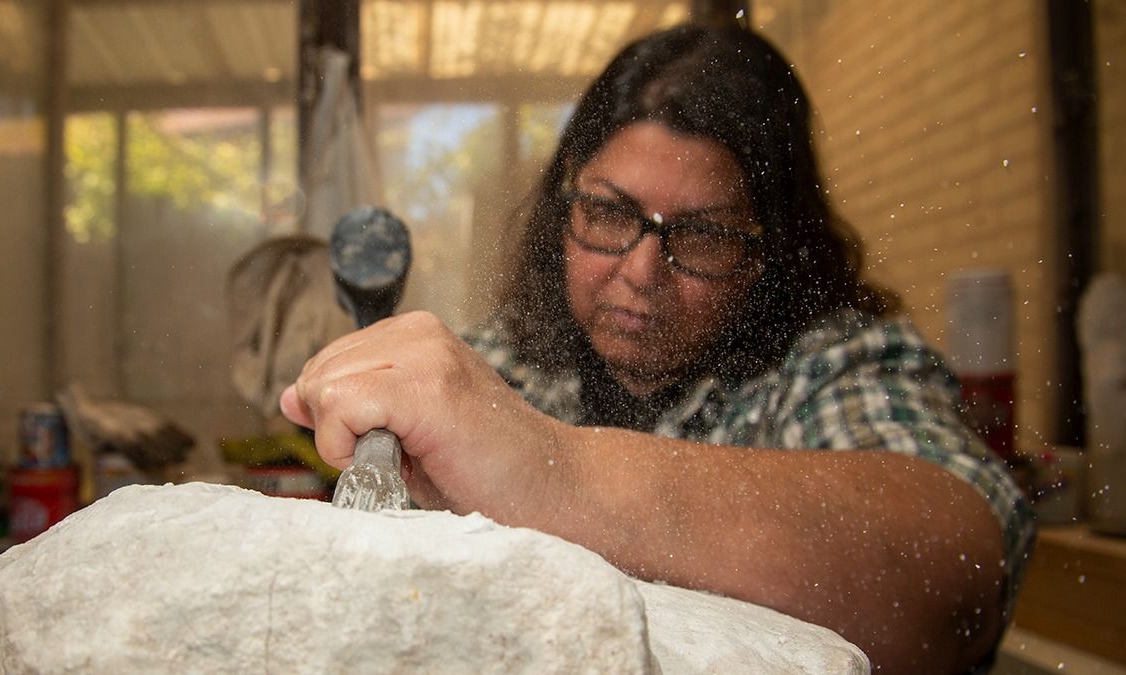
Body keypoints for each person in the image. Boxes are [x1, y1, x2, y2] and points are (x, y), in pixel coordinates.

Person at [281, 23, 1034, 673]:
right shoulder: (502, 369)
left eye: (702, 233)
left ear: (771, 253)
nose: (642, 272)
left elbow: (956, 572)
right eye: (609, 213)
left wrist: (550, 469)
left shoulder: (831, 362)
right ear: (563, 206)